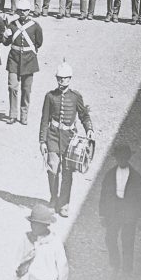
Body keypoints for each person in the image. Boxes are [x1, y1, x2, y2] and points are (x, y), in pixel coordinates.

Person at [38, 64, 93, 216]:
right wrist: (42, 141)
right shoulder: (50, 96)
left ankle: (64, 204)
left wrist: (89, 129)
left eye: (65, 78)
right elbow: (44, 120)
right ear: (56, 79)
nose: (62, 81)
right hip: (53, 136)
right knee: (53, 168)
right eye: (60, 78)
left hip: (70, 140)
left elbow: (84, 115)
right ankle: (53, 199)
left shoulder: (76, 97)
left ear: (70, 79)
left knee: (67, 173)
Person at [98, 142, 141, 274]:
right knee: (110, 238)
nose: (121, 161)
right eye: (119, 158)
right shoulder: (110, 175)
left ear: (128, 158)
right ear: (116, 159)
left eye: (124, 158)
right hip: (113, 212)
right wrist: (102, 214)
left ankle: (127, 271)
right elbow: (104, 195)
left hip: (129, 213)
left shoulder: (136, 177)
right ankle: (115, 265)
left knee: (128, 242)